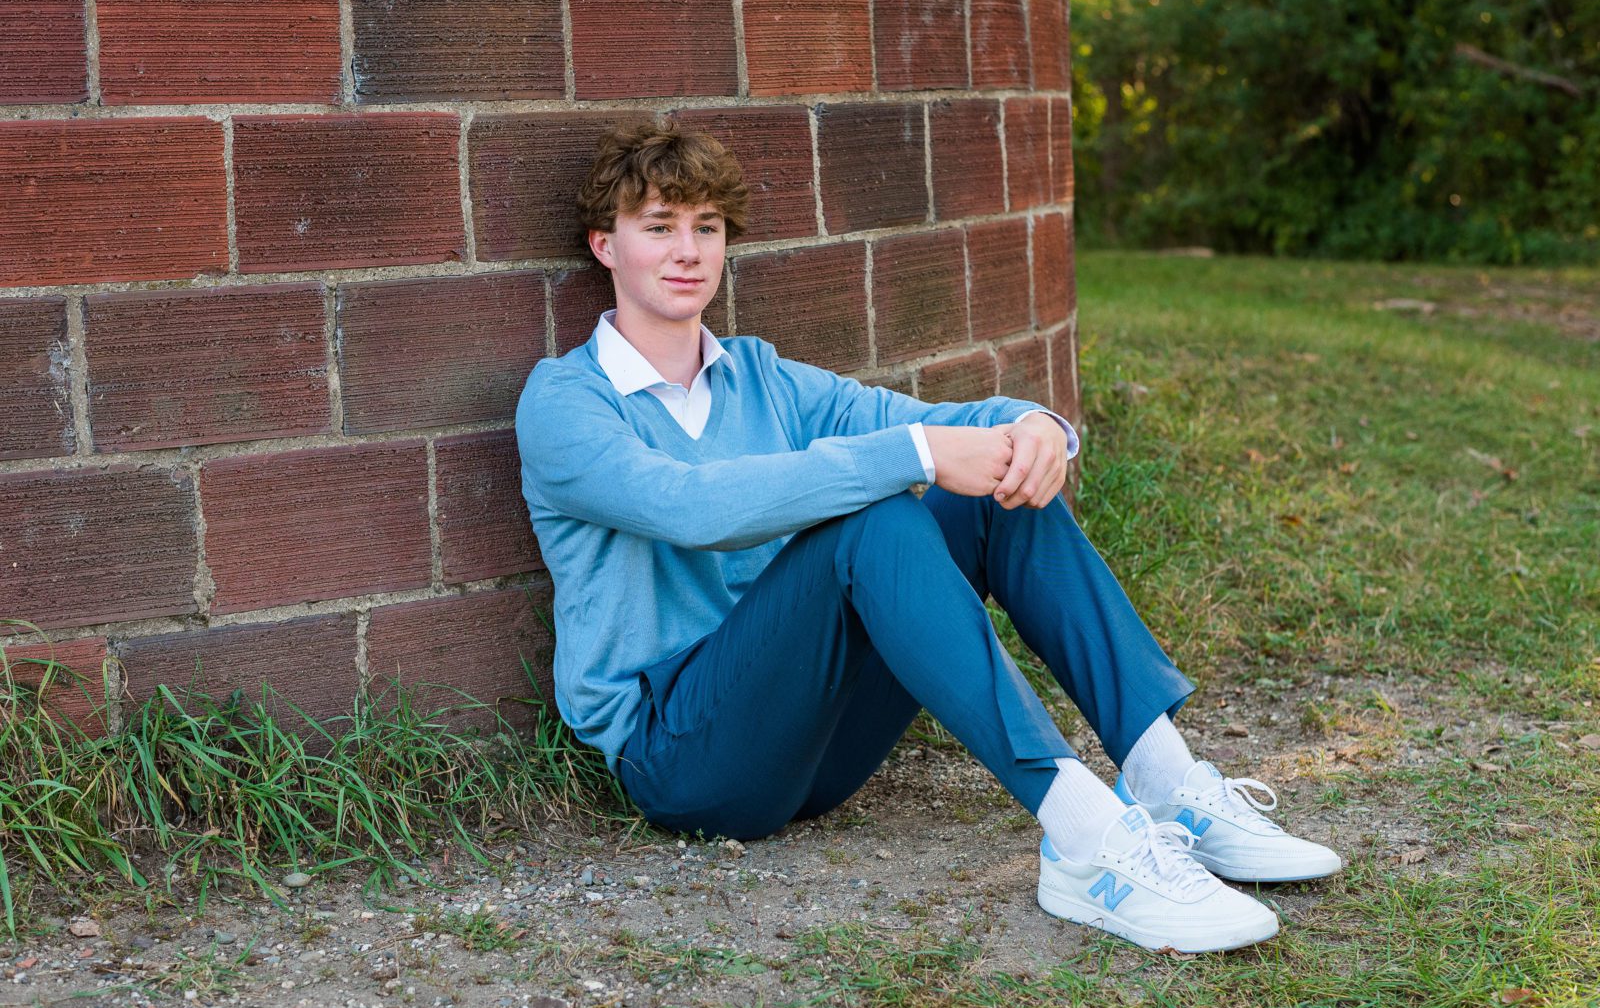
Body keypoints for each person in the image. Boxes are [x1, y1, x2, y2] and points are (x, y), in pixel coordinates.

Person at [515, 122, 1341, 954]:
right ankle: (1089, 842)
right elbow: (690, 505)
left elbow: (923, 423)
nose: (686, 250)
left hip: (821, 750)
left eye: (707, 228)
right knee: (876, 518)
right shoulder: (566, 401)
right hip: (687, 759)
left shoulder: (761, 376)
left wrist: (1033, 424)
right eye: (658, 227)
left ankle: (1167, 786)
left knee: (989, 496)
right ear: (605, 246)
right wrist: (914, 455)